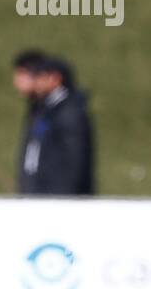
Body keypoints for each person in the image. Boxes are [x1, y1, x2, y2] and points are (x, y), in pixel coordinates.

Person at [12, 50, 95, 195]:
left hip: (58, 202)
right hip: (40, 198)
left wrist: (60, 199)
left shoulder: (69, 112)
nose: (36, 82)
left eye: (39, 76)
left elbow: (74, 164)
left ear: (54, 78)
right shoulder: (44, 110)